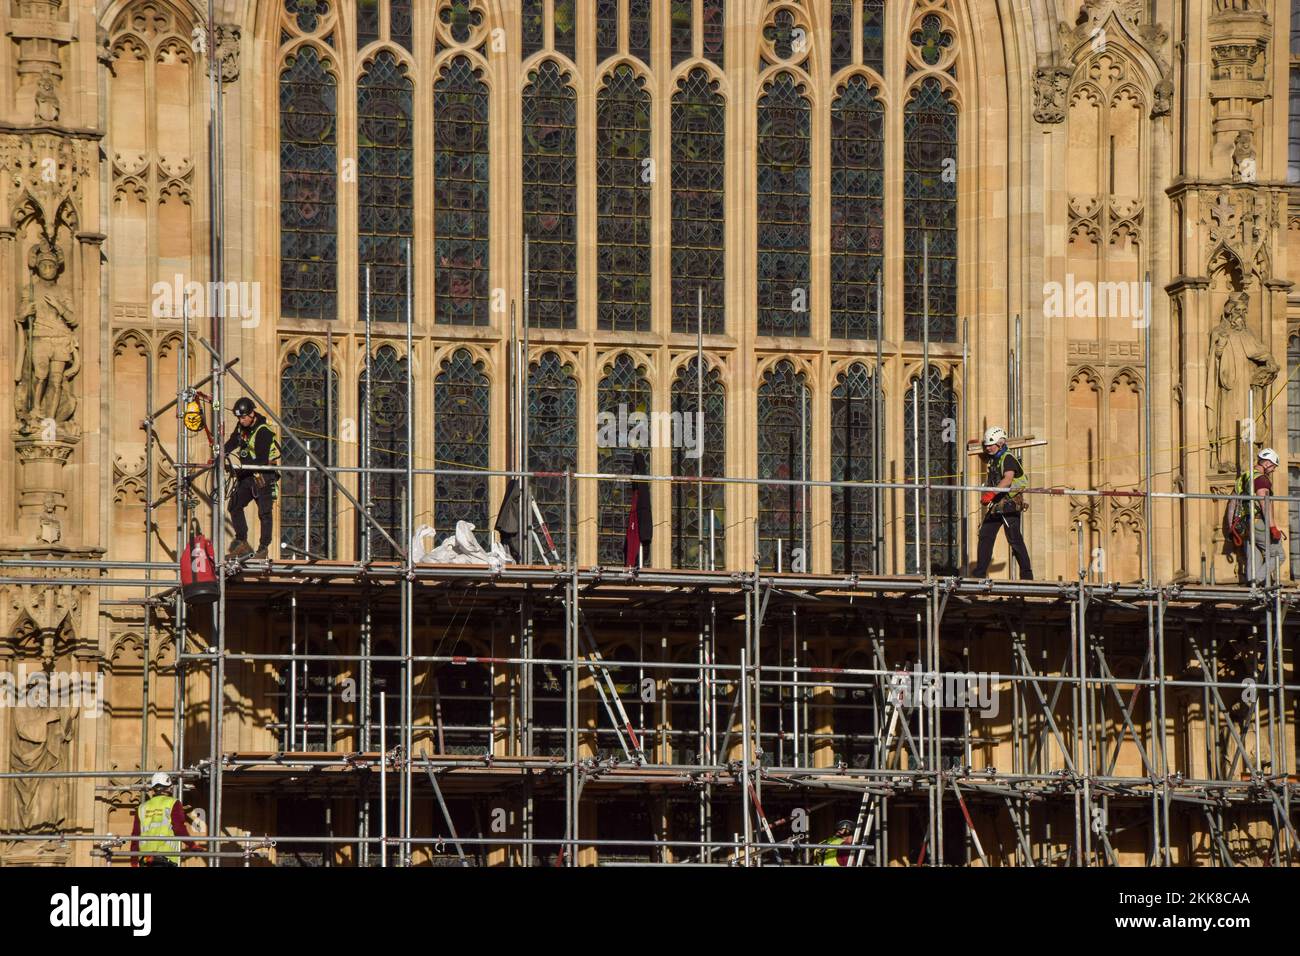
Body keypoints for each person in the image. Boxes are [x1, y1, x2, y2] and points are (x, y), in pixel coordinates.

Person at [970, 426, 1033, 580]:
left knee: (1015, 540)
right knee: (985, 535)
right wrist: (976, 446)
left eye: (990, 445)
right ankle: (979, 574)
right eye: (986, 446)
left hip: (1009, 505)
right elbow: (986, 458)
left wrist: (991, 493)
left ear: (1000, 443)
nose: (988, 448)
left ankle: (1027, 576)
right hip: (998, 505)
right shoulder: (995, 457)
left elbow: (1007, 479)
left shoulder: (1008, 458)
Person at [222, 397, 280, 559]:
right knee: (234, 505)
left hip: (263, 476)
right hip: (248, 475)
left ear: (252, 414)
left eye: (244, 417)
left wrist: (239, 469)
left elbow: (261, 460)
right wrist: (221, 452)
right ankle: (242, 542)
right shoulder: (242, 426)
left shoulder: (264, 431)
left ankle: (263, 548)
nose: (241, 420)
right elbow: (234, 440)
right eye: (239, 418)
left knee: (264, 512)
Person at [1231, 448, 1285, 585]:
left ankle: (1253, 587)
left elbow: (1231, 503)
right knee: (1278, 555)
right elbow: (1264, 503)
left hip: (1245, 524)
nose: (1273, 470)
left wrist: (1232, 527)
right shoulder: (1261, 480)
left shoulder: (1244, 477)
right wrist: (1273, 527)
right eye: (1273, 466)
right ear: (1266, 464)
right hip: (1258, 522)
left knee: (1254, 558)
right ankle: (1255, 582)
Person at [130, 772, 197, 867]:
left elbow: (135, 835)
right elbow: (179, 828)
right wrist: (192, 845)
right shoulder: (173, 803)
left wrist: (133, 861)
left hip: (146, 859)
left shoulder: (142, 807)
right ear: (169, 787)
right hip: (166, 858)